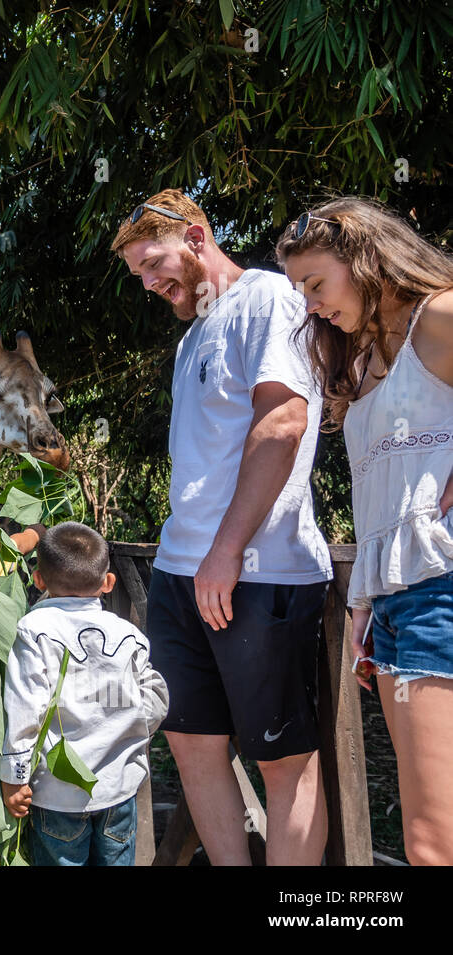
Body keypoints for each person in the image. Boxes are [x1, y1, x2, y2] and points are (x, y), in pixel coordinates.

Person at [111, 189, 334, 865]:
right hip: (182, 575)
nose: (149, 282)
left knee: (282, 758)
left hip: (259, 572)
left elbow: (283, 422)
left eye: (153, 262)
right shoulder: (191, 337)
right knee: (190, 741)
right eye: (139, 275)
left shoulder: (266, 299)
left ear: (198, 236)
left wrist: (228, 549)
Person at [277, 198, 453, 865]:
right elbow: (376, 490)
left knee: (432, 845)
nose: (311, 304)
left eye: (316, 283)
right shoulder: (359, 363)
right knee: (430, 837)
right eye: (300, 291)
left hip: (442, 587)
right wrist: (362, 604)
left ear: (363, 256)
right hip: (397, 602)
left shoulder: (438, 317)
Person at [0, 522, 169, 865]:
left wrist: (14, 778)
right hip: (119, 791)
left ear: (39, 580)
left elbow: (25, 710)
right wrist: (133, 730)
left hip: (57, 796)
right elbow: (156, 697)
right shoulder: (129, 635)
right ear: (108, 583)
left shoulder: (34, 632)